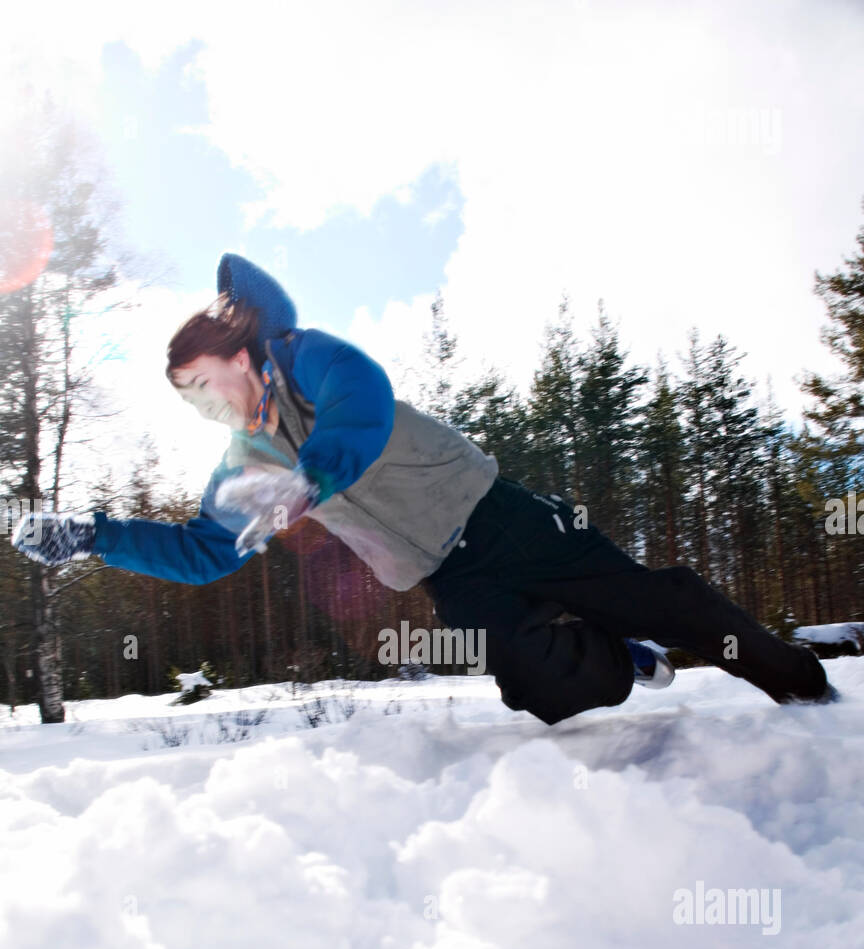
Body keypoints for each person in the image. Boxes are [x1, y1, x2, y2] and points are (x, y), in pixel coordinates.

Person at [11, 253, 835, 723]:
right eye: (184, 397)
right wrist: (90, 534)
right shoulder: (241, 460)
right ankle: (622, 660)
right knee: (536, 689)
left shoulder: (306, 359)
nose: (200, 403)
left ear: (237, 351)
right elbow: (201, 553)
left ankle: (797, 677)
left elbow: (361, 409)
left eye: (200, 381)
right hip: (451, 572)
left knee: (663, 603)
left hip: (504, 520)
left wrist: (310, 479)